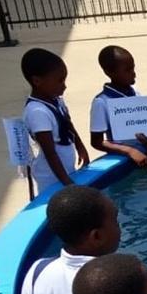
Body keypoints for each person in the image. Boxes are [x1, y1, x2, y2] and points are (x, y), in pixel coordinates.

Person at [22, 47, 89, 192]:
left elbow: (68, 124)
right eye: (59, 81)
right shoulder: (37, 112)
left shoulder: (56, 100)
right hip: (51, 178)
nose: (64, 86)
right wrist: (67, 182)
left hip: (66, 169)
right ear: (37, 81)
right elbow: (50, 152)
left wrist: (80, 147)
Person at [89, 45, 147, 168]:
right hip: (125, 161)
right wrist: (130, 151)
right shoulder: (101, 102)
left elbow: (140, 129)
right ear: (109, 72)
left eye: (133, 68)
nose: (133, 73)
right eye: (127, 70)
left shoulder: (135, 93)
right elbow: (97, 142)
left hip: (146, 157)